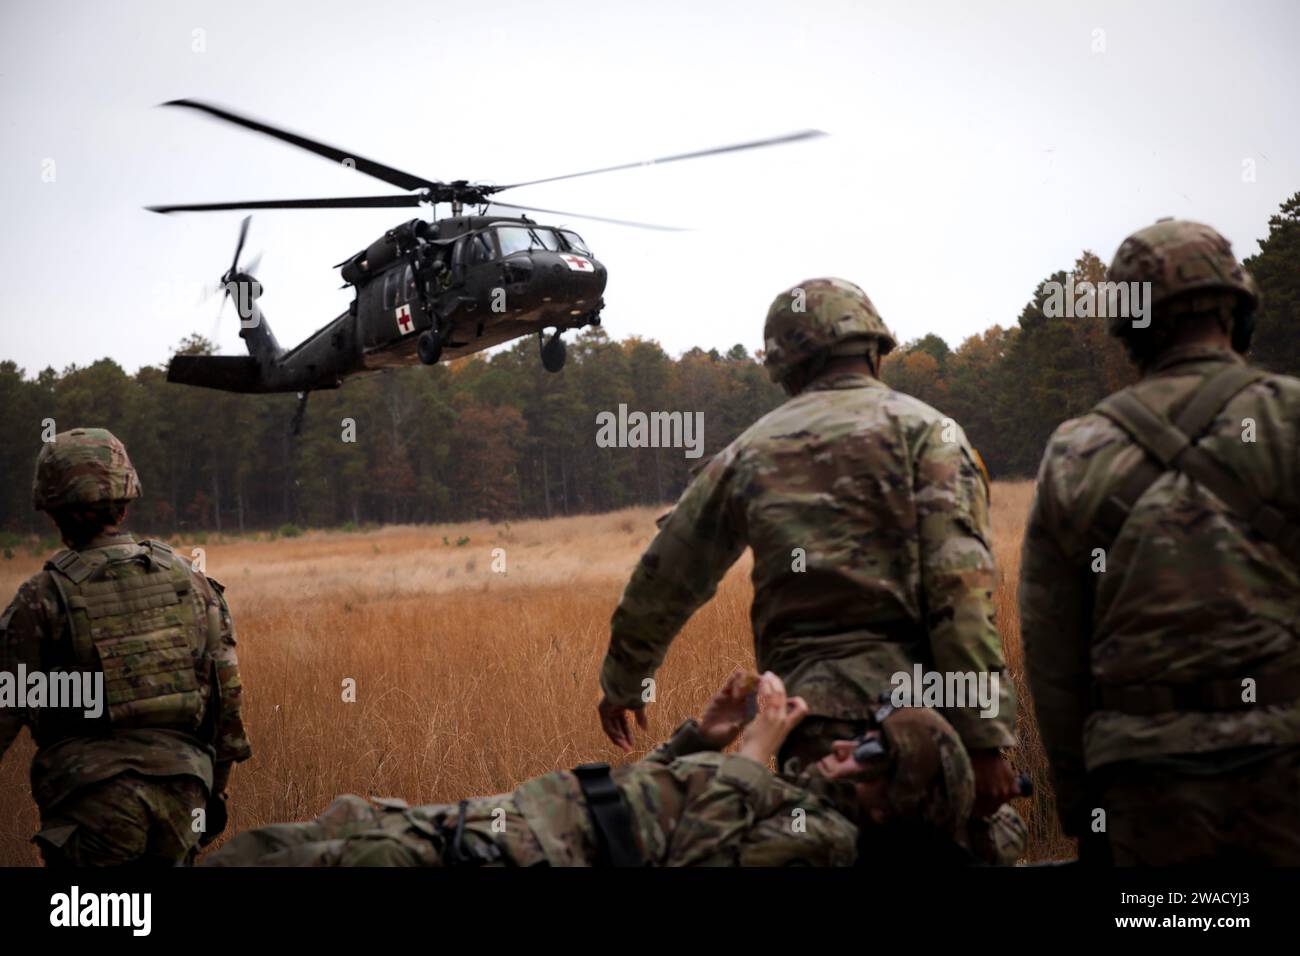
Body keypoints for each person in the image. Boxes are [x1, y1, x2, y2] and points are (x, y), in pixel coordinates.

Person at [597, 277, 1018, 816]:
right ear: (874, 349)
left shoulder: (748, 453)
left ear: (786, 368)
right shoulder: (930, 435)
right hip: (933, 726)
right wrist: (983, 738)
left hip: (815, 727)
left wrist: (623, 683)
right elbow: (960, 591)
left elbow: (667, 577)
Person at [1019, 219, 1300, 865]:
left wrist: (1084, 811)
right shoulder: (1288, 417)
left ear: (1128, 329)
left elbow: (1053, 656)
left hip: (1142, 779)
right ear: (1238, 311)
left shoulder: (1075, 449)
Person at [204, 670, 1024, 867]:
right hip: (513, 821)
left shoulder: (825, 843)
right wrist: (698, 738)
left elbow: (693, 858)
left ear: (891, 802)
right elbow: (670, 800)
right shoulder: (802, 800)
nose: (846, 747)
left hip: (525, 851)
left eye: (869, 754)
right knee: (312, 829)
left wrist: (753, 751)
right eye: (863, 734)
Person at [0, 427, 253, 866]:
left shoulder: (42, 596)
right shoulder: (191, 582)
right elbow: (226, 699)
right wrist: (214, 791)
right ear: (126, 495)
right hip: (184, 790)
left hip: (91, 801)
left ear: (52, 507)